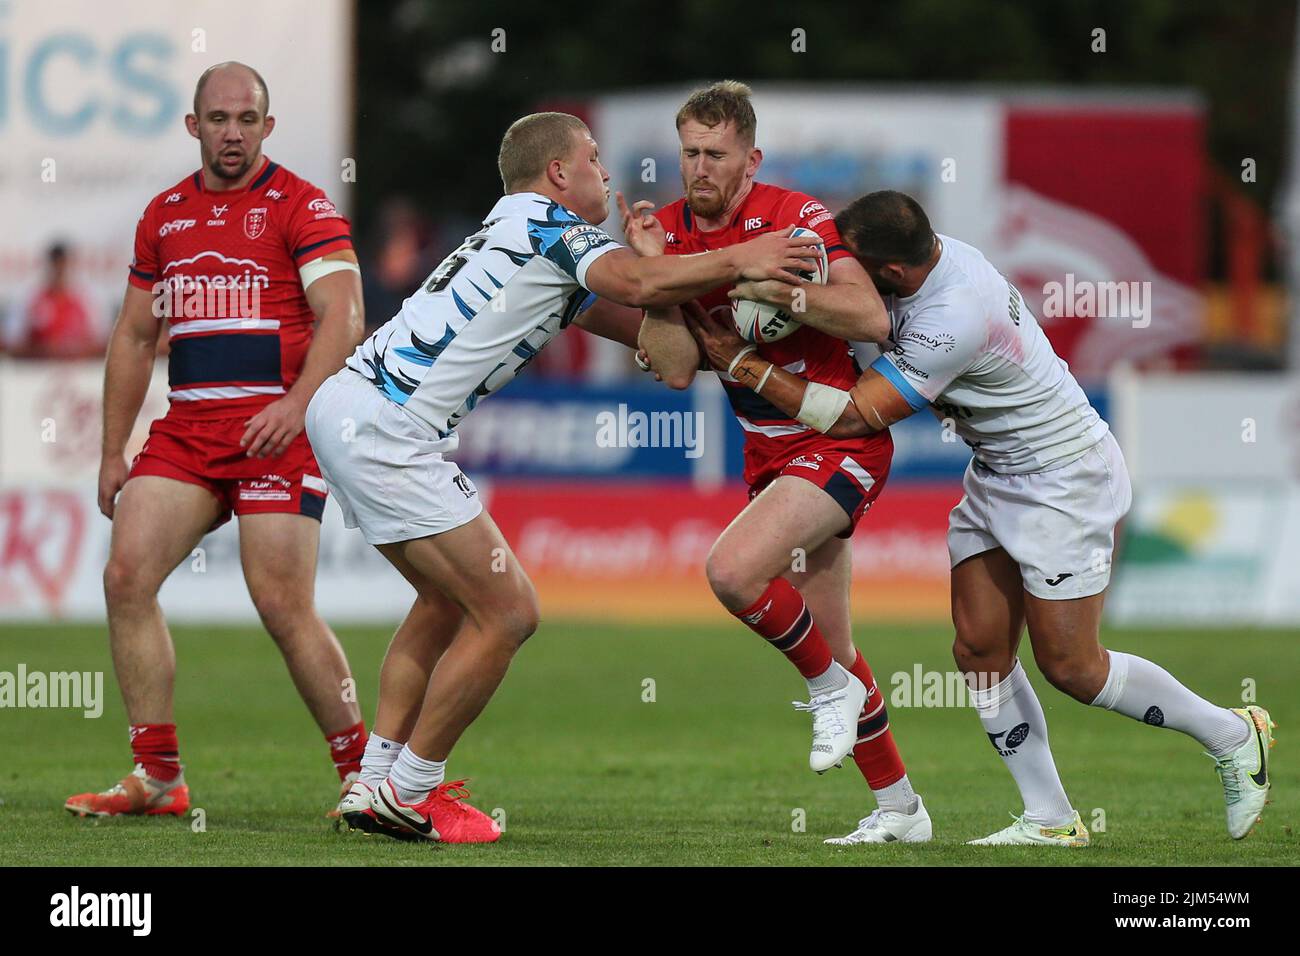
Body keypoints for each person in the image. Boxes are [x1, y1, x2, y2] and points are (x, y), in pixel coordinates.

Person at [685, 189, 1275, 845]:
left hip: (1064, 479)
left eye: (854, 264)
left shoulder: (951, 318)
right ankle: (1050, 820)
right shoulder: (929, 267)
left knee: (1073, 667)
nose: (840, 272)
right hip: (997, 472)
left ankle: (1231, 732)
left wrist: (744, 365)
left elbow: (854, 414)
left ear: (896, 274)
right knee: (979, 648)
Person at [310, 110, 823, 843]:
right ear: (558, 173)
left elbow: (656, 341)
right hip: (389, 425)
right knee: (511, 612)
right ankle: (411, 790)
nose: (606, 174)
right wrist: (746, 258)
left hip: (349, 407)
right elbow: (640, 281)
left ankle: (374, 780)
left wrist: (740, 340)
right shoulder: (553, 230)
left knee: (443, 602)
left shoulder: (513, 233)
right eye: (593, 159)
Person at [622, 81, 932, 845]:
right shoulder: (664, 231)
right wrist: (659, 282)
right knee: (838, 641)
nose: (699, 168)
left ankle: (825, 691)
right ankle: (902, 810)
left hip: (840, 438)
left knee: (731, 573)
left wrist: (784, 291)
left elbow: (868, 317)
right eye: (689, 152)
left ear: (750, 159)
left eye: (715, 154)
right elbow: (669, 368)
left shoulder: (796, 218)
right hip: (767, 453)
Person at [66, 62, 370, 819]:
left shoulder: (302, 205)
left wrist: (298, 406)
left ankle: (364, 775)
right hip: (189, 435)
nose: (232, 132)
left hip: (276, 430)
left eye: (247, 119)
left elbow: (345, 315)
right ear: (192, 126)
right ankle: (158, 775)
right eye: (218, 119)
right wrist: (112, 450)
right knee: (125, 576)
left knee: (281, 605)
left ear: (267, 126)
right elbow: (135, 337)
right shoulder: (163, 215)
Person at [3, 243, 102, 359]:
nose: (59, 272)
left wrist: (75, 352)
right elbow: (12, 345)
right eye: (55, 265)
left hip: (80, 373)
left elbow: (101, 344)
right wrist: (43, 351)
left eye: (63, 266)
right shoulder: (30, 299)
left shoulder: (86, 299)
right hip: (36, 371)